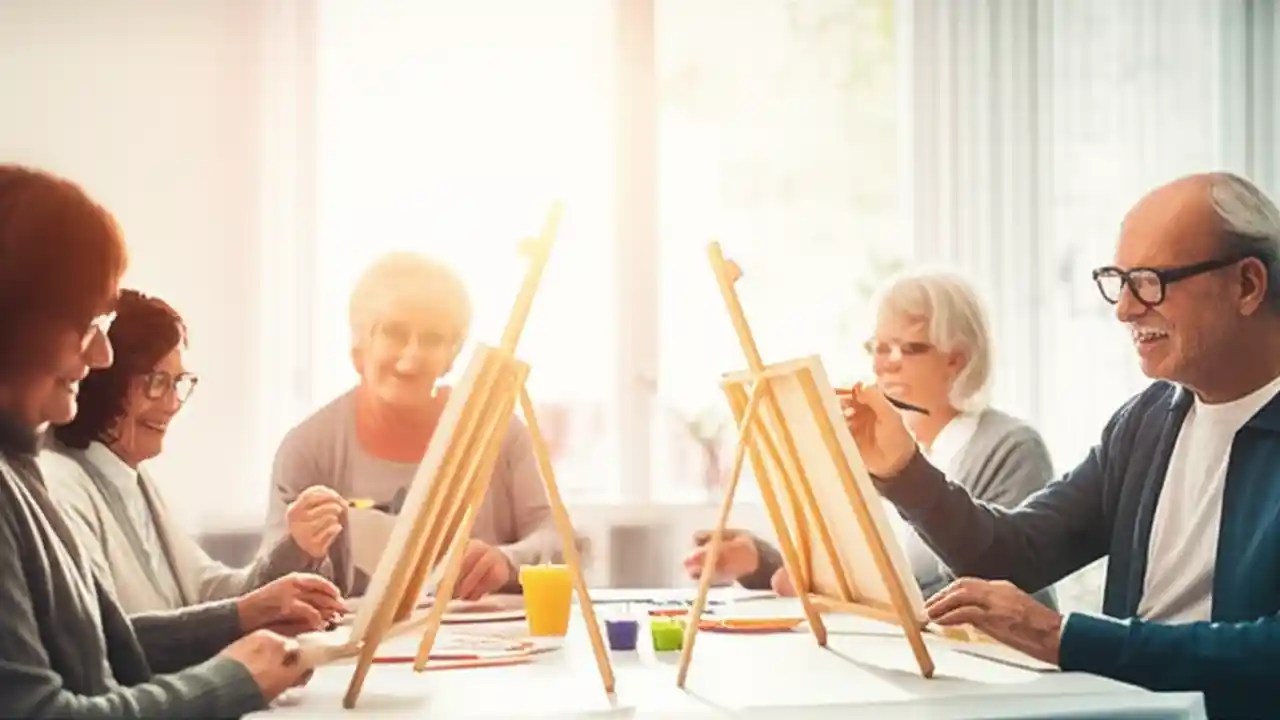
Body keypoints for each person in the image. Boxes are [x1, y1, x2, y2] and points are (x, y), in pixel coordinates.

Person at [841, 172, 1280, 720]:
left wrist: (1065, 636)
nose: (1124, 309)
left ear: (1247, 285)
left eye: (1148, 281)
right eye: (1118, 280)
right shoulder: (1146, 421)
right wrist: (903, 470)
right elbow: (1017, 553)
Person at [0, 164, 309, 716]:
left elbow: (101, 650)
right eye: (89, 325)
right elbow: (41, 712)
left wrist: (241, 621)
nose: (101, 358)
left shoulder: (19, 468)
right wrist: (230, 681)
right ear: (19, 321)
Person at [684, 272, 1056, 609]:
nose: (884, 365)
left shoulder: (1009, 448)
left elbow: (999, 594)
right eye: (878, 347)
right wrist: (760, 562)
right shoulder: (873, 448)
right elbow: (872, 574)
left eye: (907, 348)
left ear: (956, 360)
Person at [260, 251, 560, 600]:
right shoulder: (307, 448)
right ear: (359, 345)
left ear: (452, 354)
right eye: (394, 333)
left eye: (432, 339)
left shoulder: (501, 432)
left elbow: (557, 538)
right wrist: (300, 549)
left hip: (484, 643)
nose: (411, 356)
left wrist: (506, 562)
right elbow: (266, 580)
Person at [38, 288, 345, 627]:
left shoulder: (133, 480)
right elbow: (111, 641)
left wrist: (296, 546)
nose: (171, 403)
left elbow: (211, 593)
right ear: (105, 382)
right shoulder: (62, 484)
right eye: (156, 382)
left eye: (177, 383)